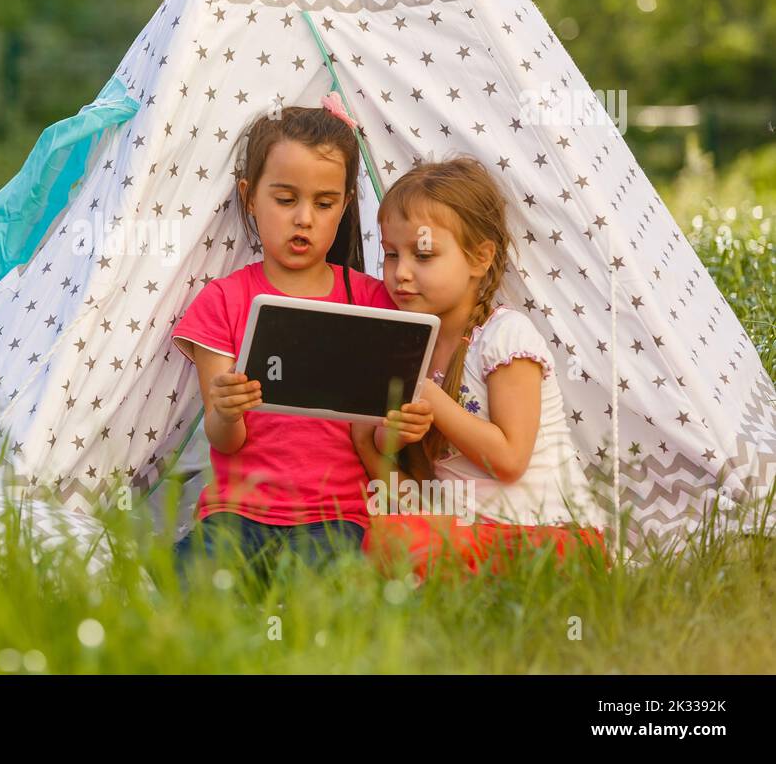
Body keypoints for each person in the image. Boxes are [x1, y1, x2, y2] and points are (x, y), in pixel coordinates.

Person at [169, 93, 433, 586]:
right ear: (250, 196)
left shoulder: (374, 302)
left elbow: (377, 440)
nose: (304, 219)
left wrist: (402, 426)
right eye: (285, 199)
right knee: (197, 586)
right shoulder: (223, 300)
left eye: (324, 202)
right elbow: (226, 439)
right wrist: (225, 410)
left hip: (337, 517)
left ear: (346, 204)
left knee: (330, 598)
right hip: (235, 512)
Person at [355, 156, 609, 579]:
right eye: (391, 255)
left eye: (423, 255)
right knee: (384, 536)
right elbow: (416, 498)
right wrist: (373, 444)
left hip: (552, 537)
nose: (401, 273)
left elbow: (509, 461)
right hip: (473, 535)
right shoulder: (409, 350)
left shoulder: (505, 336)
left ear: (479, 258)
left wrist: (435, 401)